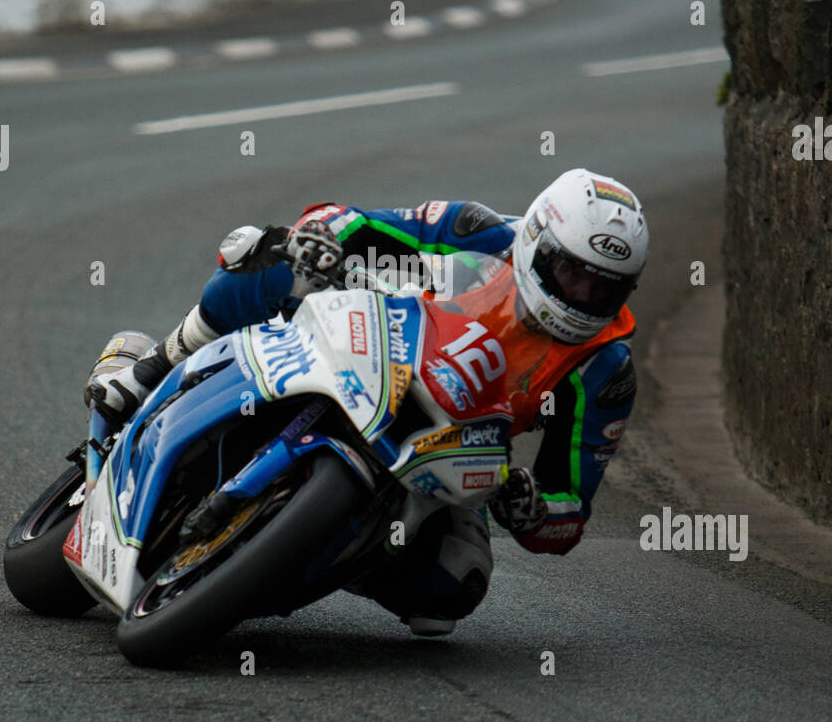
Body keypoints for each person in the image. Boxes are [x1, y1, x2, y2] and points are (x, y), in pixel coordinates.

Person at [88, 170, 649, 636]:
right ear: (536, 243)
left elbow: (571, 509)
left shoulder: (605, 371)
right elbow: (352, 221)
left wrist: (534, 511)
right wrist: (315, 238)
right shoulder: (475, 230)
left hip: (444, 451)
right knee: (269, 259)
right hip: (366, 351)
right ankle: (154, 365)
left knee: (451, 590)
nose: (584, 296)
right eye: (572, 273)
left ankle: (320, 550)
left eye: (605, 287)